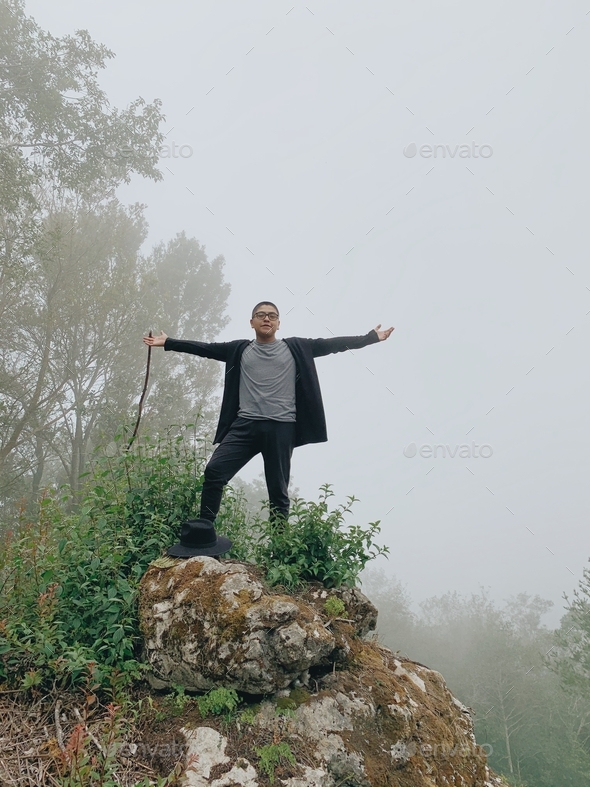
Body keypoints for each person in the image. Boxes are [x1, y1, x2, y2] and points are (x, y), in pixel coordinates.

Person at [143, 302, 393, 526]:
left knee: (278, 491)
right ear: (251, 322)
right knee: (214, 472)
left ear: (278, 323)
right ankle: (204, 528)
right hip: (244, 427)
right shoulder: (239, 349)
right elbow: (206, 348)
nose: (266, 319)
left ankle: (280, 546)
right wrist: (170, 342)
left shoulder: (297, 347)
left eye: (272, 316)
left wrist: (370, 338)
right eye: (260, 315)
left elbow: (332, 345)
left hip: (281, 428)